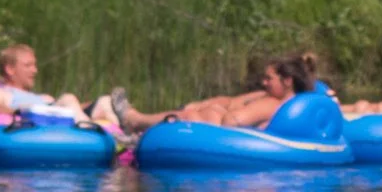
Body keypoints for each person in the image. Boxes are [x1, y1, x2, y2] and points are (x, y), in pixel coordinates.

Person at [104, 55, 317, 135]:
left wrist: (220, 113)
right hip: (258, 144)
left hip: (226, 139)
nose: (264, 83)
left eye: (269, 79)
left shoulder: (273, 103)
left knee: (197, 115)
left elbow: (233, 122)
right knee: (208, 110)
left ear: (287, 81)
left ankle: (134, 120)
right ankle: (138, 124)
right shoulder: (300, 105)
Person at [0, 44, 94, 122]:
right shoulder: (0, 93)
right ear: (10, 69)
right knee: (67, 98)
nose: (35, 70)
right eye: (28, 65)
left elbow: (73, 109)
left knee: (99, 101)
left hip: (58, 119)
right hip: (35, 128)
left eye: (34, 65)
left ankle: (100, 136)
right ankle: (91, 134)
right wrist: (35, 110)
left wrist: (89, 105)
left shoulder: (45, 98)